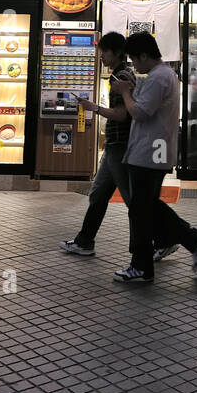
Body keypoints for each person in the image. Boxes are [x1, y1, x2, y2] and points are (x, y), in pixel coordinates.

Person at [111, 31, 197, 284]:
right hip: (152, 151)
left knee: (142, 210)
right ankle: (188, 239)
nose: (133, 64)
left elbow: (140, 113)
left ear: (145, 55)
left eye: (134, 59)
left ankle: (142, 266)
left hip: (148, 152)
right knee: (147, 206)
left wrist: (124, 92)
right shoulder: (163, 75)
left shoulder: (158, 77)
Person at [61, 33, 141, 256]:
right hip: (114, 145)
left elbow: (121, 114)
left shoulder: (120, 77)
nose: (101, 56)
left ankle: (155, 243)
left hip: (121, 145)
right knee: (98, 194)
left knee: (133, 201)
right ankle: (84, 241)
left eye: (105, 51)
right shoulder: (120, 74)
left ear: (116, 52)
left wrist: (93, 107)